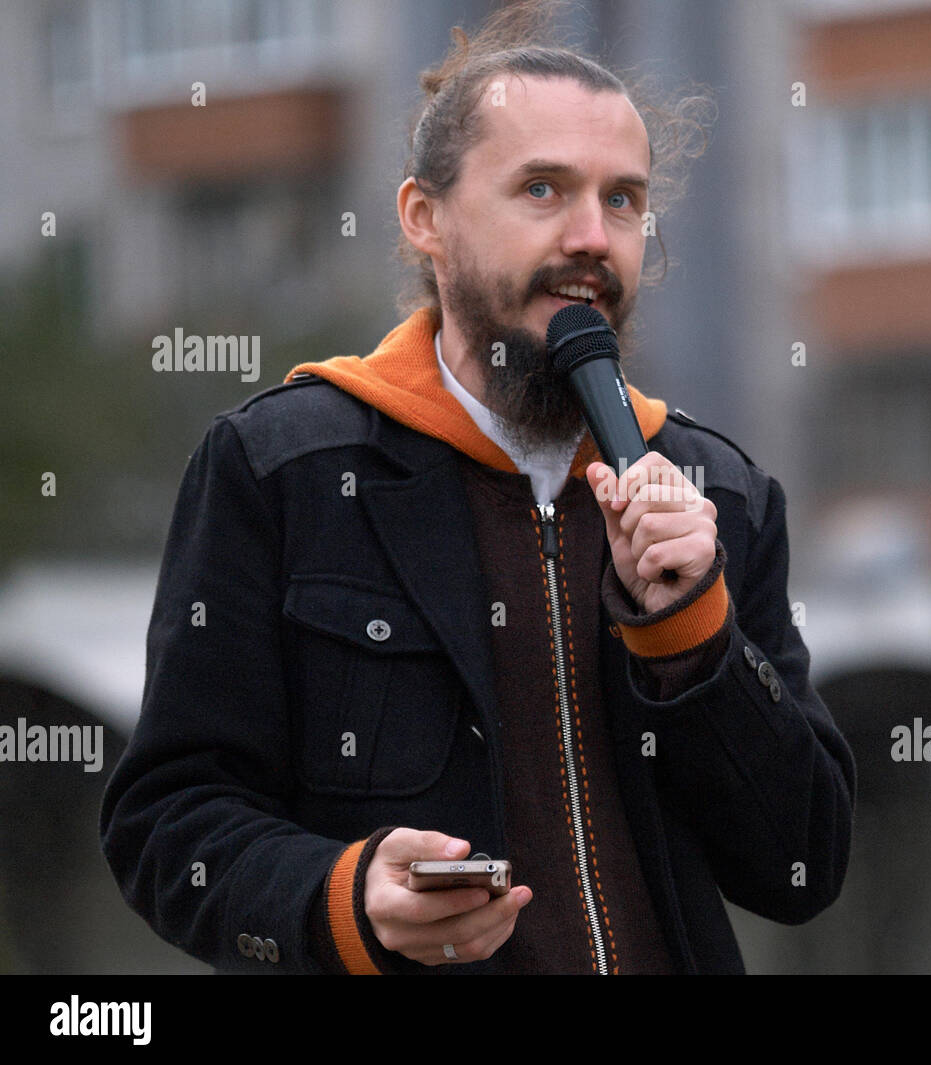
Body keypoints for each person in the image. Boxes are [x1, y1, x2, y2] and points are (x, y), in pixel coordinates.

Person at [100, 3, 855, 975]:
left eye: (622, 200)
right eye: (542, 188)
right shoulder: (283, 471)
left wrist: (689, 636)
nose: (592, 235)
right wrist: (345, 900)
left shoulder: (725, 498)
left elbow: (799, 870)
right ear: (428, 220)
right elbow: (167, 825)